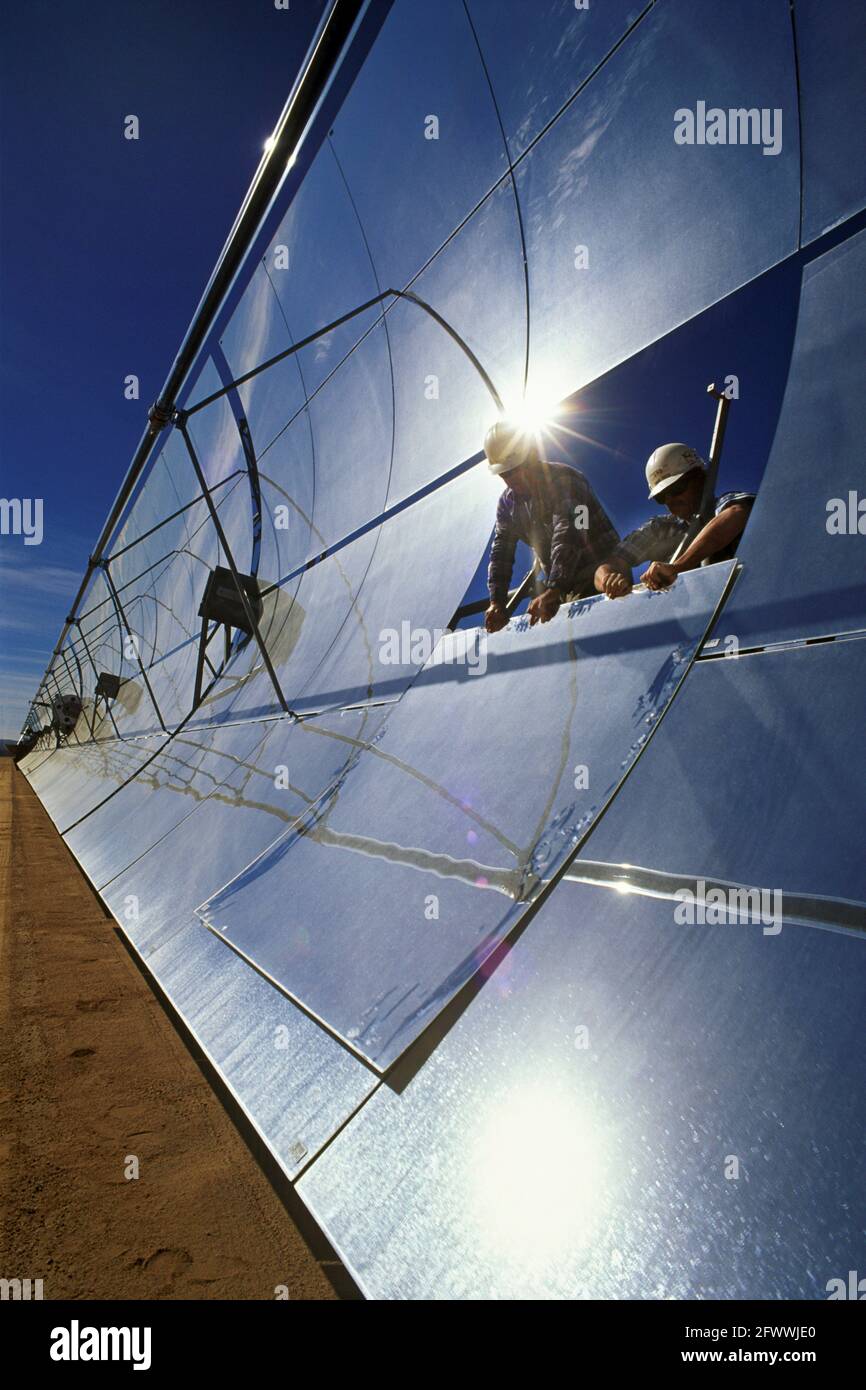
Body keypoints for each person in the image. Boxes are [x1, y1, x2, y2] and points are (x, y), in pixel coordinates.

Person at [484, 418, 621, 633]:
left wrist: (555, 587)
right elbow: (501, 553)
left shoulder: (566, 480)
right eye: (505, 473)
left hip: (603, 572)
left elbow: (571, 530)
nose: (512, 478)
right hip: (560, 583)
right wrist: (497, 602)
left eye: (518, 468)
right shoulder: (507, 504)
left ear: (532, 456)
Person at [593, 443, 755, 598]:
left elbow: (736, 513)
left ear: (700, 478)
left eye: (676, 488)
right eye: (661, 497)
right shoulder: (659, 528)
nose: (670, 500)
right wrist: (608, 579)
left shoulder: (729, 505)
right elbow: (612, 562)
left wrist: (678, 567)